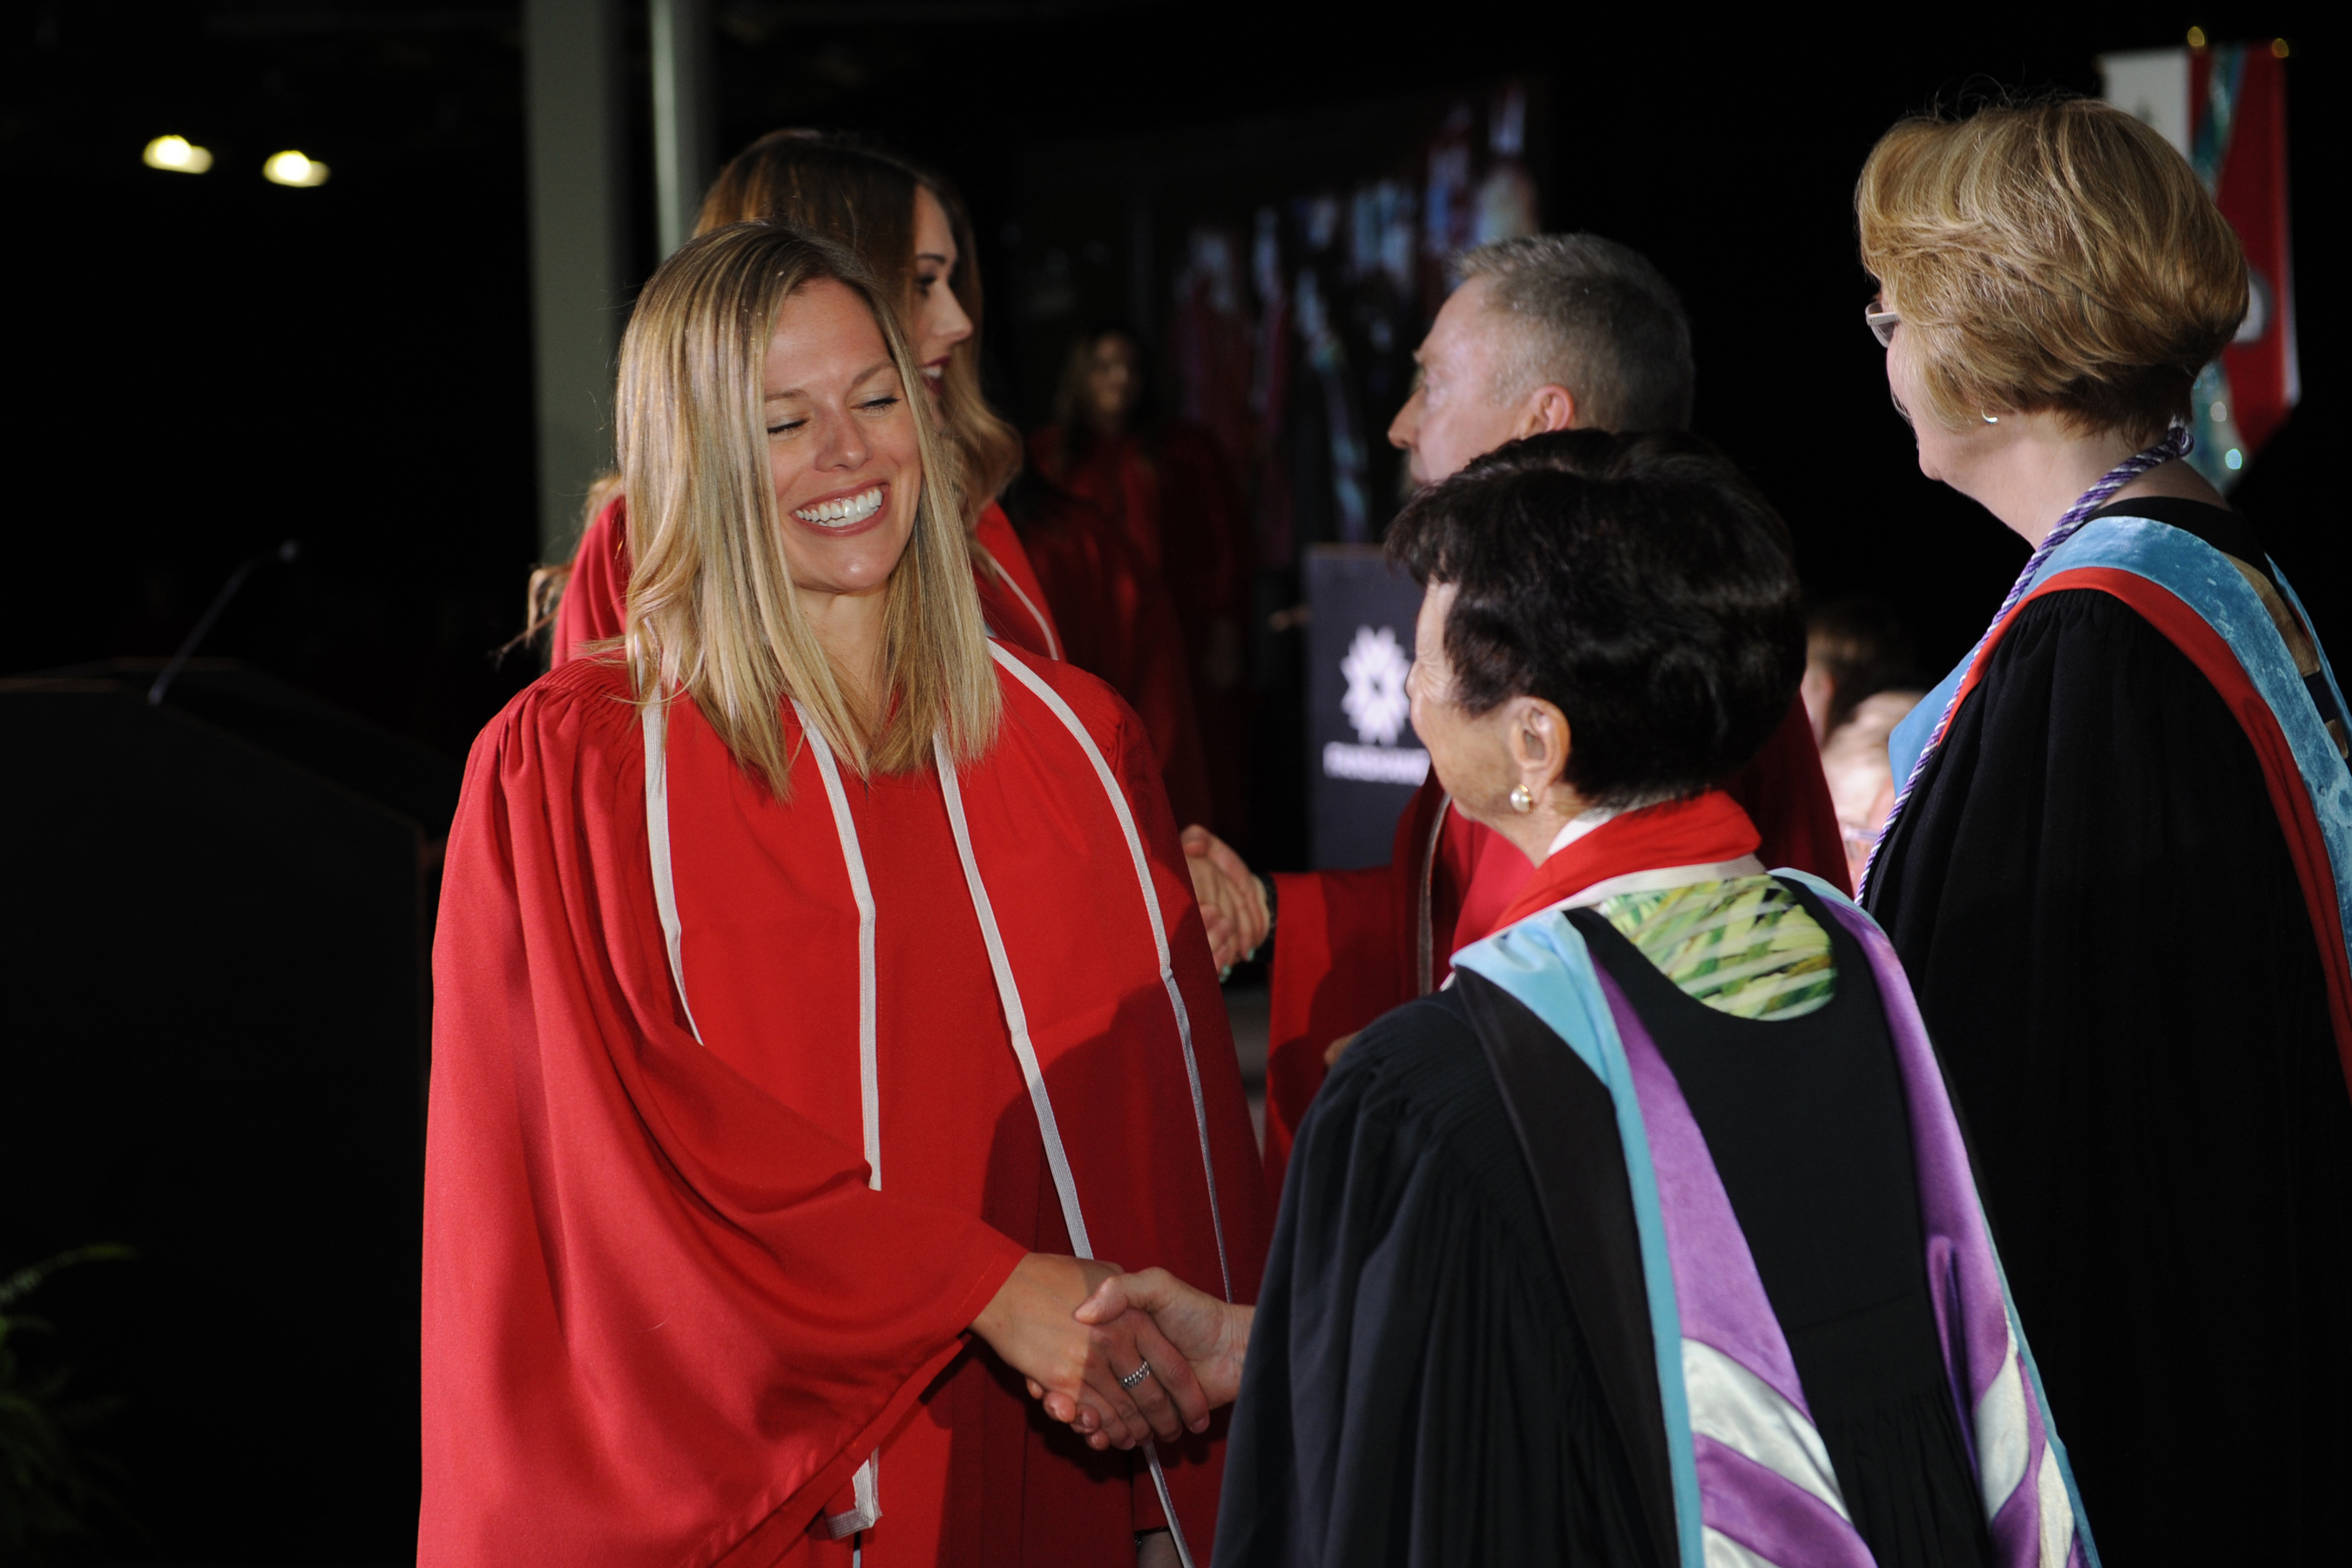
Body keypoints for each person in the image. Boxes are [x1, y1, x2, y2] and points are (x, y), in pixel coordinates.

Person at [1038, 430, 2086, 1568]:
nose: (1414, 688)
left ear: (1534, 739)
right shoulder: (1849, 963)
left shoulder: (1429, 1091)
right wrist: (1273, 1341)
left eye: (1426, 656)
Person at [422, 223, 1271, 1568]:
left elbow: (1158, 1133)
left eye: (878, 399)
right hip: (755, 1496)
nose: (850, 454)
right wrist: (984, 1289)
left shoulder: (1071, 744)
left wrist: (1175, 1463)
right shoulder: (578, 769)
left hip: (1038, 1453)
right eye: (782, 421)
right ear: (692, 457)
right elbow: (617, 1156)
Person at [1854, 98, 2352, 1564]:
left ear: (1990, 343)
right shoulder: (2196, 565)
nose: (1881, 345)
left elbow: (2028, 1115)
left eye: (1892, 311)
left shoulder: (2102, 652)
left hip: (2151, 1440)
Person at [1189, 233, 1851, 1188]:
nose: (1401, 425)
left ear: (1544, 421)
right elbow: (1467, 907)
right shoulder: (1573, 639)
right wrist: (1275, 911)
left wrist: (1441, 1081)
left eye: (1432, 385)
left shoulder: (1642, 670)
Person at [541, 132, 1227, 862]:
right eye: (922, 281)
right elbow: (607, 832)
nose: (959, 322)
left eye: (955, 281)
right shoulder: (639, 546)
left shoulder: (1023, 531)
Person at [1031, 327, 1254, 838]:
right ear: (1081, 376)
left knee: (1188, 753)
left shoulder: (1184, 450)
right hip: (1085, 637)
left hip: (1176, 632)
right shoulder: (1047, 457)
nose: (1120, 379)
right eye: (1105, 366)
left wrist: (1225, 630)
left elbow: (1222, 541)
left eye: (1130, 366)